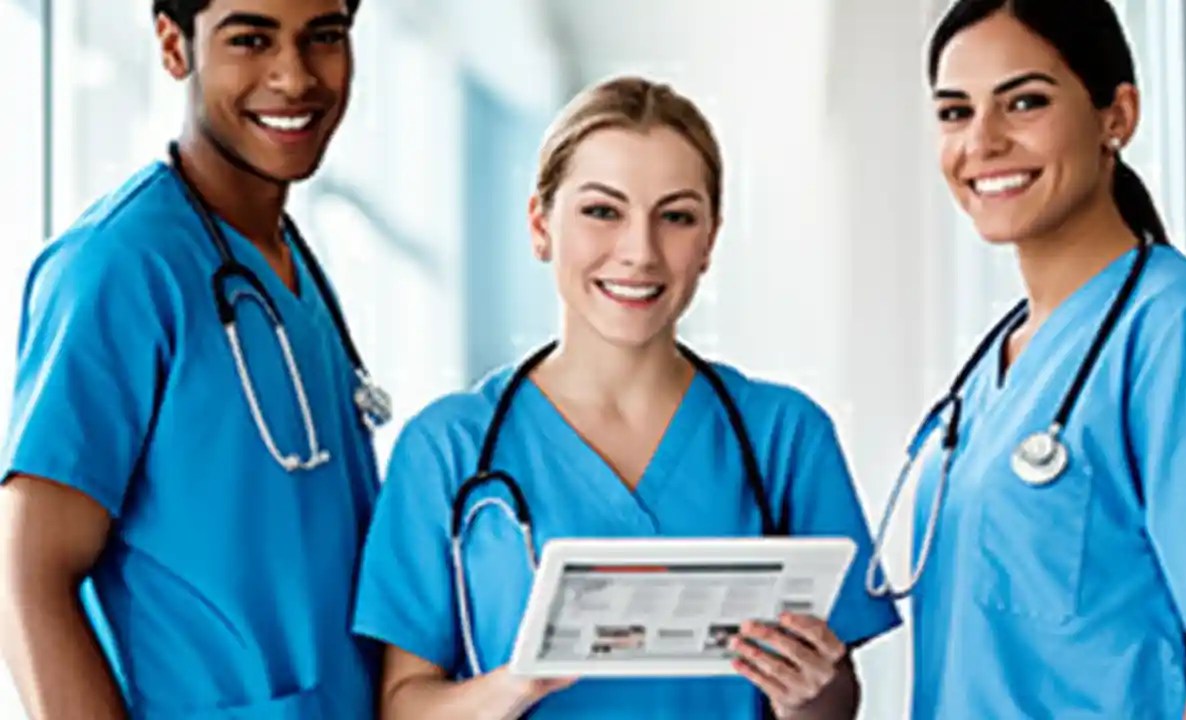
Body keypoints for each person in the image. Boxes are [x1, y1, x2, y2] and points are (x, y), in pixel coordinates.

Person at [351, 76, 901, 719]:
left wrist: (810, 691)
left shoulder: (784, 436)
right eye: (602, 211)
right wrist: (520, 682)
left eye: (676, 217)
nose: (640, 252)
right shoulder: (450, 447)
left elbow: (835, 703)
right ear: (540, 225)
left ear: (709, 241)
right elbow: (402, 705)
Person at [865, 1, 1186, 717]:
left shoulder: (1183, 327)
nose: (983, 141)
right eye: (956, 112)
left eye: (1024, 102)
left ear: (1117, 115)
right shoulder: (993, 365)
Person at [0, 0, 386, 717]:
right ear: (175, 46)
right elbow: (28, 576)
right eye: (251, 39)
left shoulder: (290, 265)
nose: (295, 76)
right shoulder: (120, 266)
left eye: (324, 37)